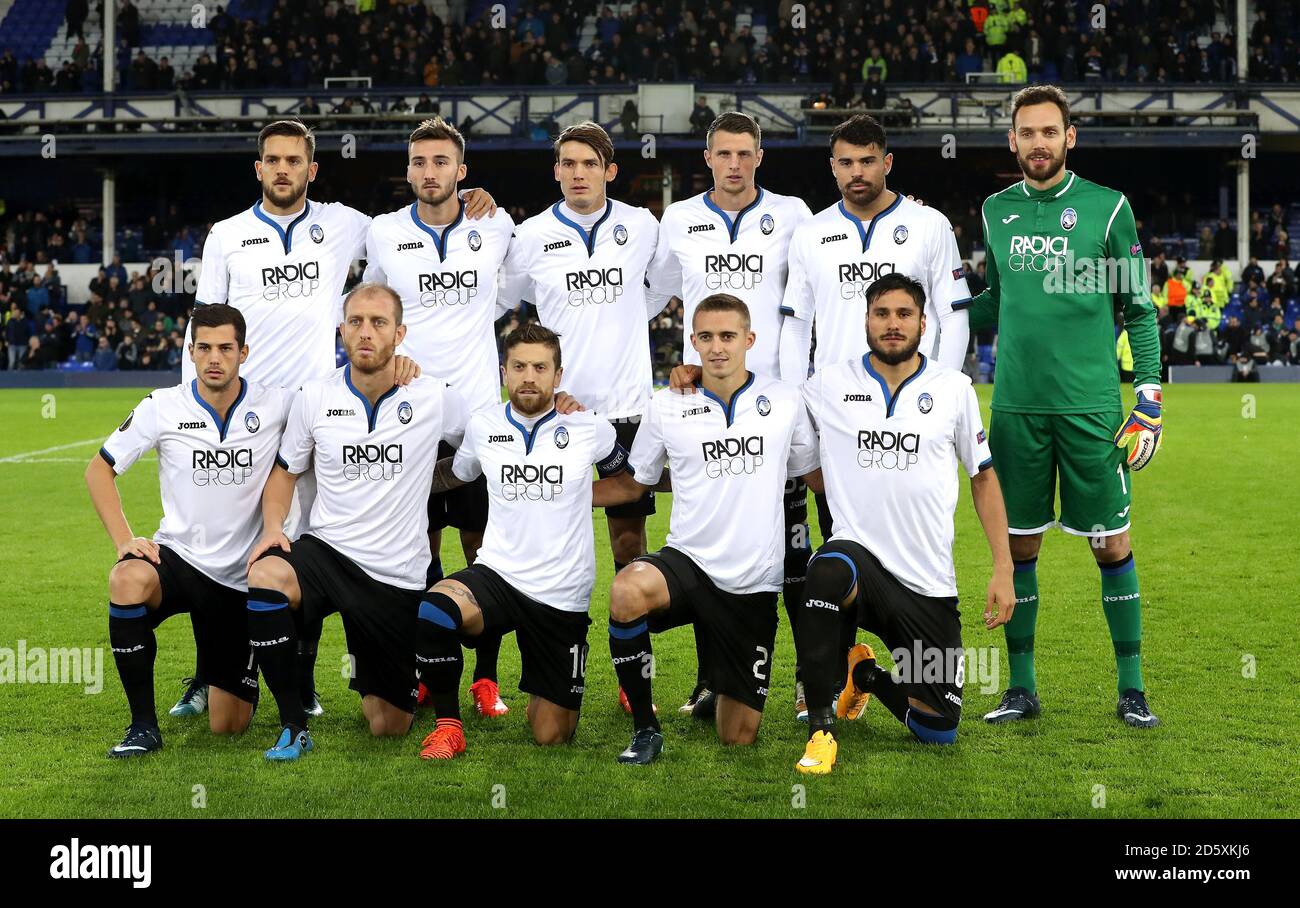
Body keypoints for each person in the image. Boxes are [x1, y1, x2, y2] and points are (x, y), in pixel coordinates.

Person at [185, 119, 491, 721]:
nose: (282, 169)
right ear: (258, 169)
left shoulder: (349, 226)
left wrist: (476, 198)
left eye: (293, 160)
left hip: (323, 414)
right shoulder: (226, 235)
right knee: (218, 545)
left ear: (311, 169)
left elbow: (422, 219)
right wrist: (193, 405)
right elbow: (204, 322)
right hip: (243, 413)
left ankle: (306, 680)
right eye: (272, 160)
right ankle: (208, 675)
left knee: (307, 544)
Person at [969, 85, 1163, 728]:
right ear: (1013, 140)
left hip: (1090, 410)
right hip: (1017, 408)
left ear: (1069, 137)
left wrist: (1150, 400)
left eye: (1050, 131)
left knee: (1111, 545)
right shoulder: (997, 211)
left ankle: (1131, 689)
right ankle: (1020, 690)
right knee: (1019, 549)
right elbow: (995, 303)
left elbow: (1137, 307)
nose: (1038, 143)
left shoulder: (1107, 211)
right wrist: (933, 308)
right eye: (1027, 133)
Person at [792, 273, 1014, 774]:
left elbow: (983, 479)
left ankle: (864, 676)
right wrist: (696, 377)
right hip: (858, 565)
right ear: (866, 320)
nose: (892, 324)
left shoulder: (954, 389)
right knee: (826, 567)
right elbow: (769, 413)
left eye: (904, 314)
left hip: (926, 585)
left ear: (922, 322)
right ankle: (821, 730)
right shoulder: (828, 384)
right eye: (881, 314)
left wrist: (1003, 567)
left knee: (939, 730)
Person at [243, 283, 470, 761]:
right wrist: (272, 529)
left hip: (395, 574)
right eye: (357, 322)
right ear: (342, 330)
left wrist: (562, 405)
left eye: (379, 322)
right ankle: (293, 723)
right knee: (266, 574)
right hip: (328, 553)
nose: (366, 332)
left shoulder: (434, 397)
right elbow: (285, 475)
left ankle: (408, 680)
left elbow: (496, 432)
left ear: (400, 333)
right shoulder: (315, 397)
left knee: (387, 727)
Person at [596, 294, 819, 763]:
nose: (717, 347)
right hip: (689, 562)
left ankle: (721, 681)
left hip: (753, 583)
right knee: (626, 592)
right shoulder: (667, 405)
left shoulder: (783, 400)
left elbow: (809, 471)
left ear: (749, 340)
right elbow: (636, 482)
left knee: (737, 736)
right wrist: (556, 492)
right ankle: (645, 728)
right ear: (692, 341)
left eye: (727, 336)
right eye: (706, 337)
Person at [647, 110, 816, 719]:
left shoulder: (795, 216)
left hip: (776, 408)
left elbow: (821, 285)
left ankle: (808, 678)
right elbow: (650, 292)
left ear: (760, 156)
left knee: (795, 552)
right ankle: (710, 679)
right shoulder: (680, 220)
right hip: (707, 402)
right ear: (709, 158)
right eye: (724, 154)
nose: (735, 164)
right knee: (708, 548)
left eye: (745, 153)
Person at [499, 121, 669, 712]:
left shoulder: (641, 226)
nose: (577, 173)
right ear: (556, 171)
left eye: (588, 164)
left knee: (629, 549)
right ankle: (542, 674)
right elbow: (509, 295)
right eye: (567, 163)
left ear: (609, 170)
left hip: (625, 411)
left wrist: (625, 315)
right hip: (556, 416)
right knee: (544, 547)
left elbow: (664, 286)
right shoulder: (529, 236)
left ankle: (632, 682)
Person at [412, 323, 632, 759]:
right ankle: (448, 726)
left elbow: (628, 486)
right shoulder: (484, 425)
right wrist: (401, 485)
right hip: (499, 574)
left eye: (539, 367)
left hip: (561, 593)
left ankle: (544, 694)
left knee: (551, 734)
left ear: (558, 375)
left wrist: (573, 494)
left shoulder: (588, 426)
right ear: (503, 372)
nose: (529, 376)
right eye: (519, 367)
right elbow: (460, 473)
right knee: (435, 609)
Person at [85, 305, 291, 757]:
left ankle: (213, 673)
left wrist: (400, 368)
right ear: (191, 351)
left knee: (228, 726)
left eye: (225, 348)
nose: (214, 357)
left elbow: (336, 406)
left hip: (241, 576)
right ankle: (142, 727)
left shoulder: (277, 404)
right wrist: (125, 541)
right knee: (127, 578)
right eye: (204, 348)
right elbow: (99, 470)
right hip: (178, 559)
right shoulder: (163, 407)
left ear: (244, 352)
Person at [362, 117, 515, 718]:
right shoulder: (383, 233)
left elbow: (514, 290)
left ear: (462, 169)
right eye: (420, 162)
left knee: (486, 556)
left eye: (441, 162)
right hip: (411, 423)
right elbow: (373, 309)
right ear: (409, 170)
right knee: (415, 556)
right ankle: (425, 671)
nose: (430, 172)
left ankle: (486, 678)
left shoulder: (495, 224)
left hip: (479, 424)